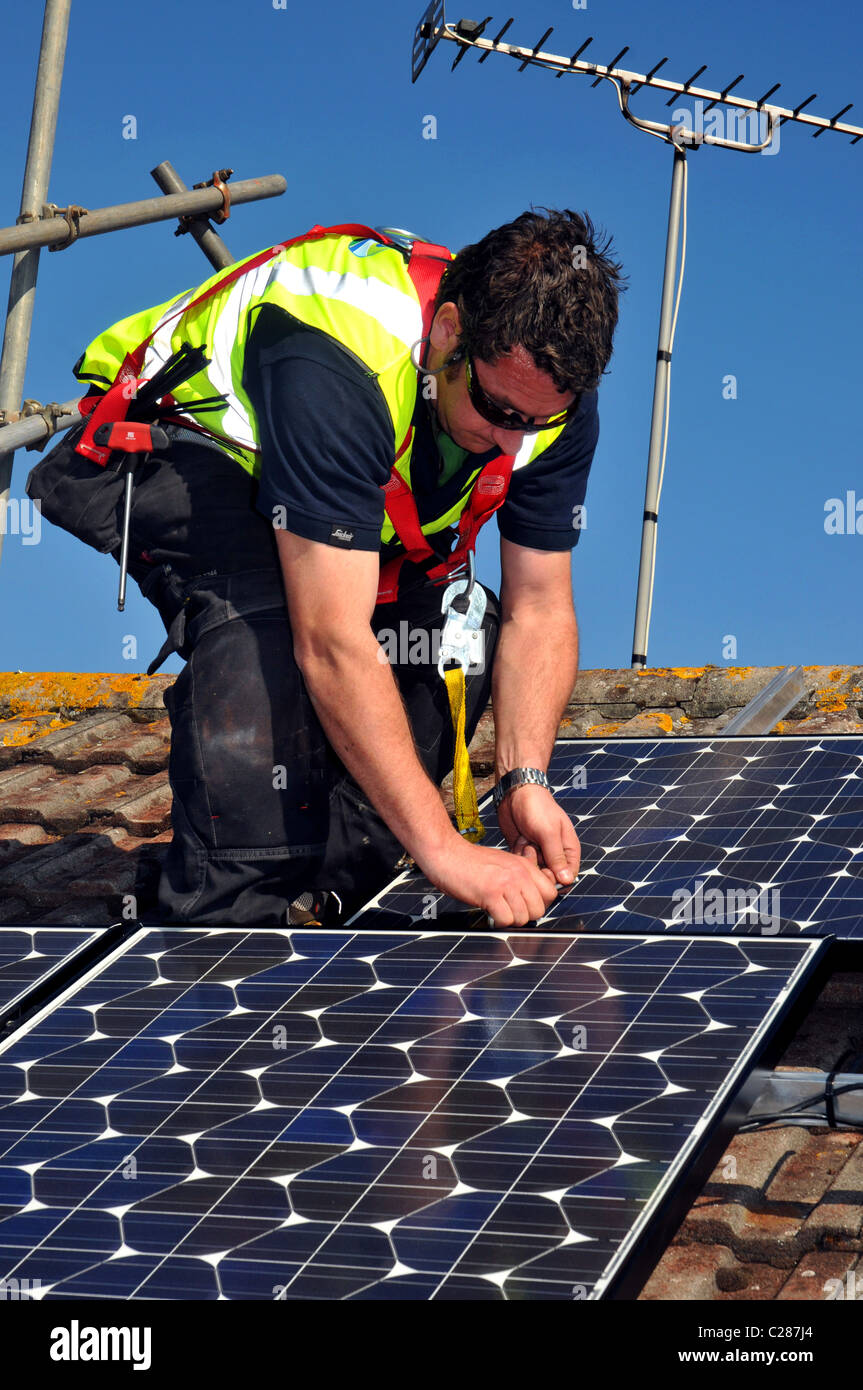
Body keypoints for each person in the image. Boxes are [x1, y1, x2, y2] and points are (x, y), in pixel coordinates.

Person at [27, 209, 625, 929]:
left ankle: (324, 899)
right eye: (496, 408)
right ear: (447, 334)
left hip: (339, 510)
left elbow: (541, 609)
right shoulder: (336, 357)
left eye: (533, 422)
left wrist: (523, 777)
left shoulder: (549, 395)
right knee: (267, 637)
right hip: (176, 453)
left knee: (456, 636)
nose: (508, 438)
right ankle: (224, 919)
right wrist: (441, 846)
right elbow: (332, 639)